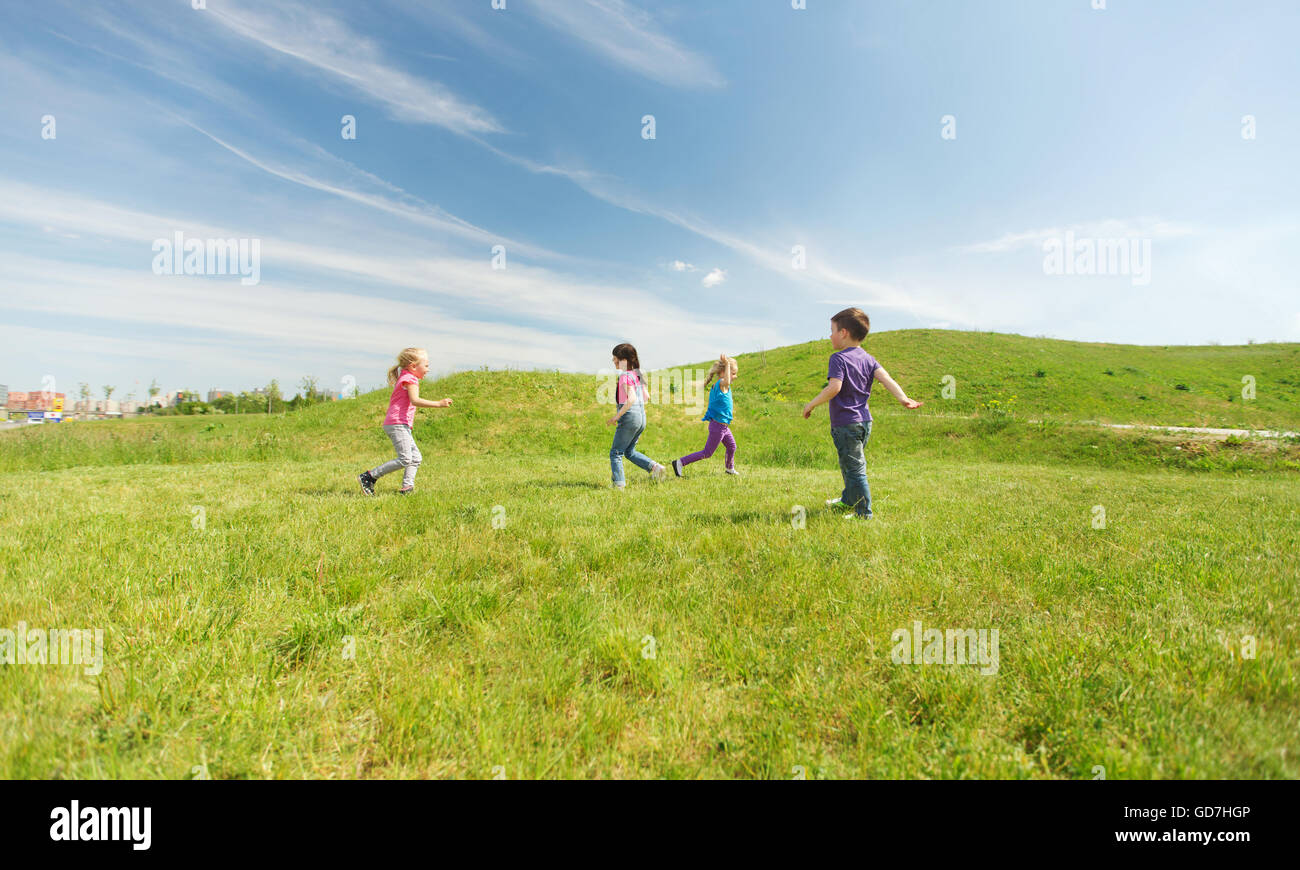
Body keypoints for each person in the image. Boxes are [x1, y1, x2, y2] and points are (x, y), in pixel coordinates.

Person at [802, 309, 922, 519]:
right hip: (864, 422)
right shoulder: (868, 358)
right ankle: (849, 500)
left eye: (832, 331)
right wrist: (903, 398)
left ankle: (863, 514)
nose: (830, 335)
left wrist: (811, 404)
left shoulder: (838, 358)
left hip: (846, 424)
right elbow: (887, 379)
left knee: (855, 470)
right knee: (849, 465)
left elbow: (834, 388)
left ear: (844, 333)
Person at [357, 347, 452, 495]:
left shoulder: (406, 376)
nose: (428, 369)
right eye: (426, 365)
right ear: (414, 366)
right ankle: (369, 476)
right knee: (405, 459)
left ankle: (407, 488)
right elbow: (415, 400)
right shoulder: (410, 379)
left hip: (399, 424)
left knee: (415, 458)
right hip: (397, 424)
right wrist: (439, 404)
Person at [607, 343, 667, 488]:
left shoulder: (625, 376)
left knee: (616, 453)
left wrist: (617, 416)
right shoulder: (637, 374)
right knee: (629, 451)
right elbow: (646, 397)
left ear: (624, 360)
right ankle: (655, 468)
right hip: (641, 418)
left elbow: (632, 398)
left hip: (629, 417)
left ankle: (618, 485)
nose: (614, 362)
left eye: (616, 359)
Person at [672, 353, 740, 478]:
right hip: (718, 427)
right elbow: (728, 380)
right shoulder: (722, 384)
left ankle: (729, 468)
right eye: (733, 373)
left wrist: (728, 366)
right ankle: (680, 462)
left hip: (724, 427)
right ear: (723, 373)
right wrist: (727, 364)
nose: (735, 376)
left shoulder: (723, 385)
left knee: (732, 446)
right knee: (707, 453)